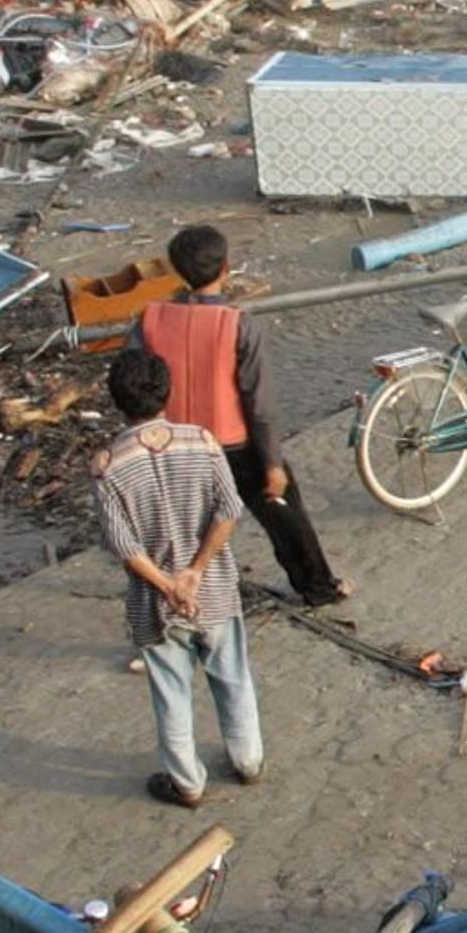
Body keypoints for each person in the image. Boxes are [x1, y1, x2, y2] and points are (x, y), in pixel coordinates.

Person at [137, 223, 347, 608]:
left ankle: (176, 590)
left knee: (183, 526)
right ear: (226, 268)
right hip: (234, 443)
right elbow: (259, 402)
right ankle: (317, 587)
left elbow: (137, 382)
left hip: (173, 444)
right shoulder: (238, 325)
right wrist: (272, 463)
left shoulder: (150, 320)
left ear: (176, 270)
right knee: (285, 516)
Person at [94, 346, 261, 809]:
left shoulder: (108, 467)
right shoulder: (202, 441)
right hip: (215, 588)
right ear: (168, 391)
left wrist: (169, 586)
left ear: (116, 400)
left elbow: (125, 548)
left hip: (156, 603)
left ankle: (187, 782)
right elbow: (230, 509)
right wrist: (195, 570)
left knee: (171, 691)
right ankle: (248, 761)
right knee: (233, 676)